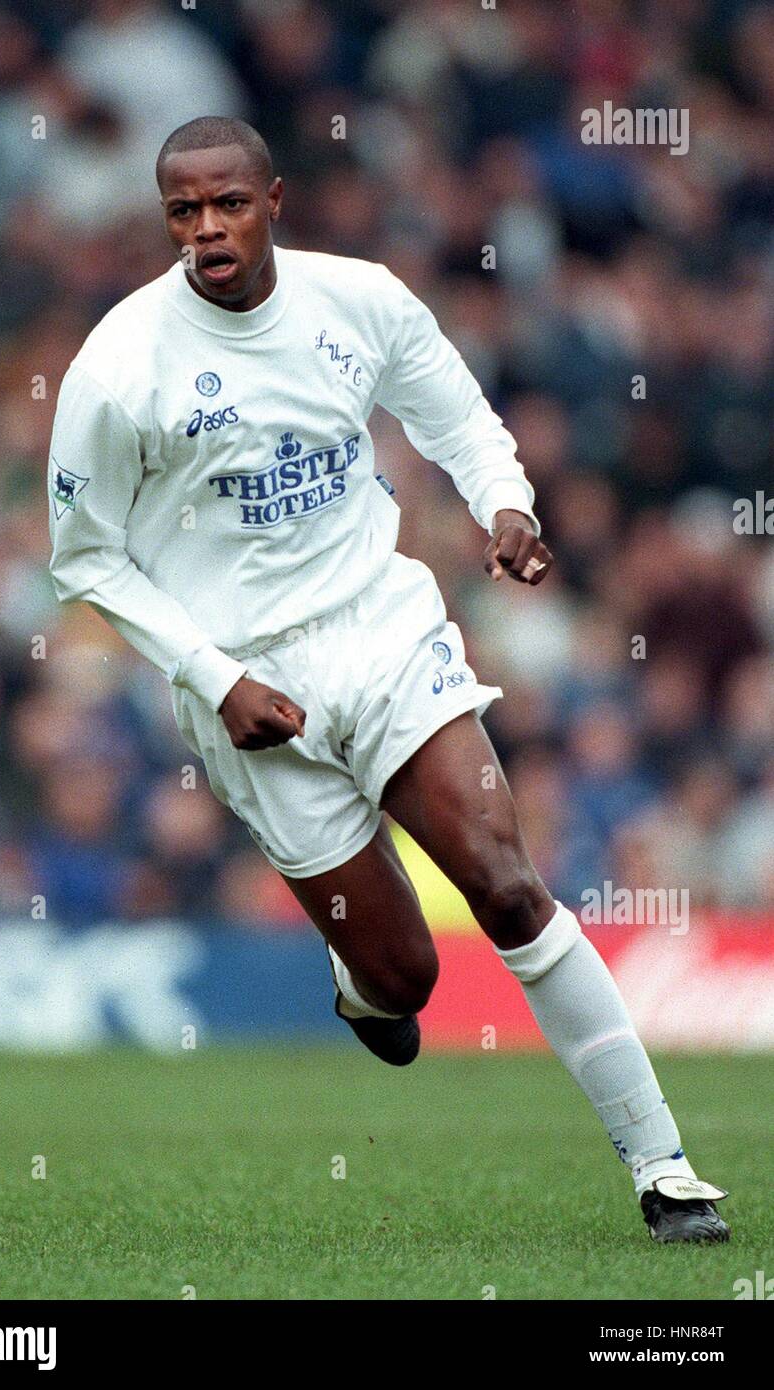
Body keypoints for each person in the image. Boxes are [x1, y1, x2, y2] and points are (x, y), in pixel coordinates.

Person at [48, 116, 729, 1243]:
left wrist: (503, 503)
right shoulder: (119, 365)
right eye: (183, 212)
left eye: (227, 204)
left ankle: (662, 1169)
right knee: (406, 976)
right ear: (164, 219)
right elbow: (84, 555)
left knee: (504, 883)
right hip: (248, 687)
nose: (207, 229)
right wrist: (213, 676)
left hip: (380, 628)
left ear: (274, 198)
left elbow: (455, 417)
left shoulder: (357, 299)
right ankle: (362, 984)